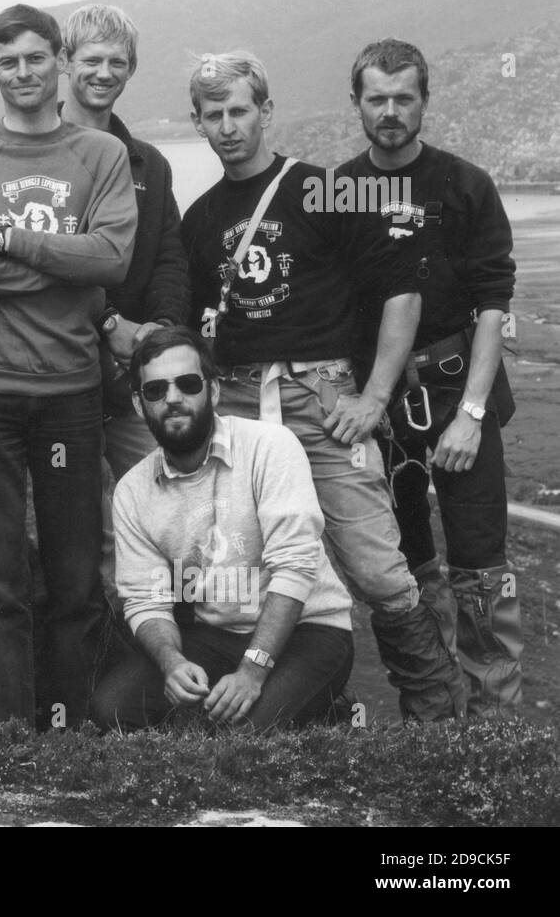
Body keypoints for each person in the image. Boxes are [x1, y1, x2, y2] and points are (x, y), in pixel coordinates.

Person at [180, 50, 464, 721]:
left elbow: (402, 292)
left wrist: (373, 398)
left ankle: (437, 726)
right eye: (213, 115)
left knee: (378, 572)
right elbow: (192, 322)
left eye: (240, 110)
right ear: (198, 122)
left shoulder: (329, 188)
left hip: (322, 400)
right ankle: (302, 717)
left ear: (266, 112)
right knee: (250, 575)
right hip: (241, 406)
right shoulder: (197, 219)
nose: (228, 126)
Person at [0, 4, 138, 728]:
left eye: (35, 59)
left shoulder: (101, 155)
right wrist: (66, 269)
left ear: (60, 61)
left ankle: (67, 723)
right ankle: (5, 732)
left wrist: (10, 241)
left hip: (71, 391)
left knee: (76, 575)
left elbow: (112, 259)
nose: (23, 73)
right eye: (8, 62)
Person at [340, 38, 520, 713]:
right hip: (381, 406)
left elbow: (492, 305)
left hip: (457, 391)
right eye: (377, 98)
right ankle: (434, 716)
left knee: (481, 565)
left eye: (403, 98)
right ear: (356, 101)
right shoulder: (337, 192)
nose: (390, 111)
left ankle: (496, 725)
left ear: (424, 101)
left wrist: (471, 415)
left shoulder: (466, 184)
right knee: (406, 567)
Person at [91, 327, 354, 732]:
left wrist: (253, 671)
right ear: (140, 405)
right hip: (216, 634)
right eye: (156, 391)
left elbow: (295, 567)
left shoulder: (271, 446)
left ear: (213, 391)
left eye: (188, 384)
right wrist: (172, 663)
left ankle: (324, 708)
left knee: (244, 733)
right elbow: (146, 600)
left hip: (309, 629)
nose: (173, 398)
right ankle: (265, 704)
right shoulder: (132, 491)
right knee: (113, 708)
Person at [58, 3, 190, 627]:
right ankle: (91, 675)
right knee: (77, 527)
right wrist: (109, 324)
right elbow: (42, 262)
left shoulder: (150, 165)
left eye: (117, 62)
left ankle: (177, 658)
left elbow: (168, 256)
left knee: (169, 514)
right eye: (91, 60)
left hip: (136, 374)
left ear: (132, 68)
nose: (103, 72)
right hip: (60, 367)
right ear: (65, 63)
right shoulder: (33, 150)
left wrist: (156, 342)